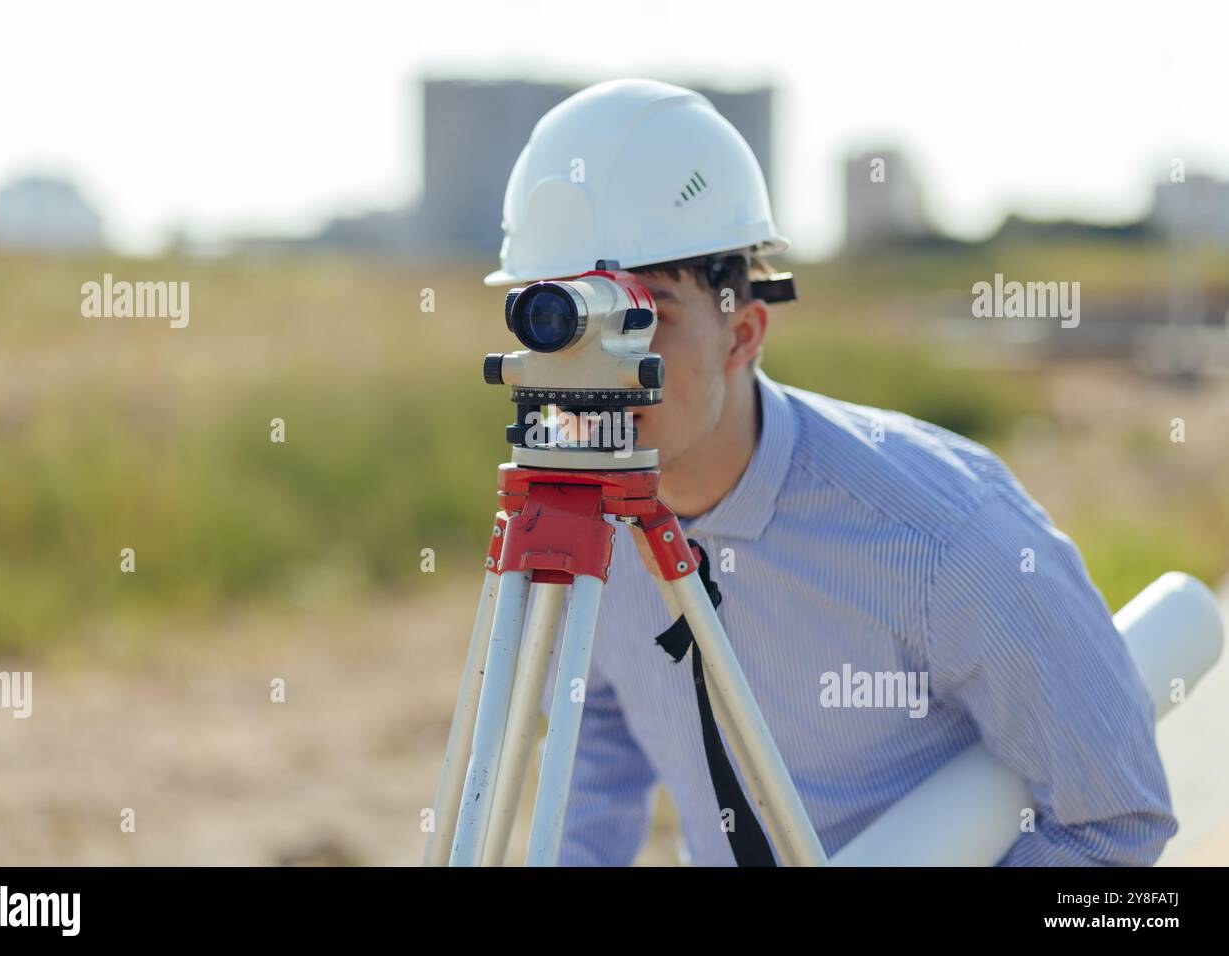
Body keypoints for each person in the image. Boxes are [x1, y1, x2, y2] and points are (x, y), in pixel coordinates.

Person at [484, 78, 1176, 866]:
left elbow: (1116, 825)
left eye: (640, 318)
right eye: (566, 318)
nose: (599, 367)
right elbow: (600, 729)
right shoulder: (575, 528)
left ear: (742, 333)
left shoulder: (945, 538)